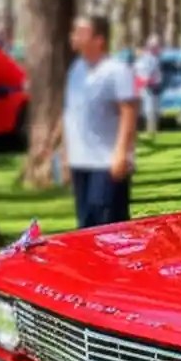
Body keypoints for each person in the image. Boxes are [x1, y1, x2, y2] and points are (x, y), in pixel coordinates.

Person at [64, 14, 138, 229]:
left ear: (99, 39)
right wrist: (67, 154)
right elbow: (71, 113)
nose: (74, 36)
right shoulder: (76, 69)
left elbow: (129, 111)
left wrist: (122, 152)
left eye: (81, 32)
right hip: (82, 162)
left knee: (108, 225)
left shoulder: (117, 71)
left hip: (107, 164)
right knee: (85, 225)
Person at [134, 35, 163, 138]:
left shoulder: (156, 58)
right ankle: (150, 132)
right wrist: (144, 82)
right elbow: (143, 74)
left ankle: (153, 131)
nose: (157, 48)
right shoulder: (146, 58)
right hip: (149, 87)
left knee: (155, 111)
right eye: (155, 46)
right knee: (149, 111)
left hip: (155, 87)